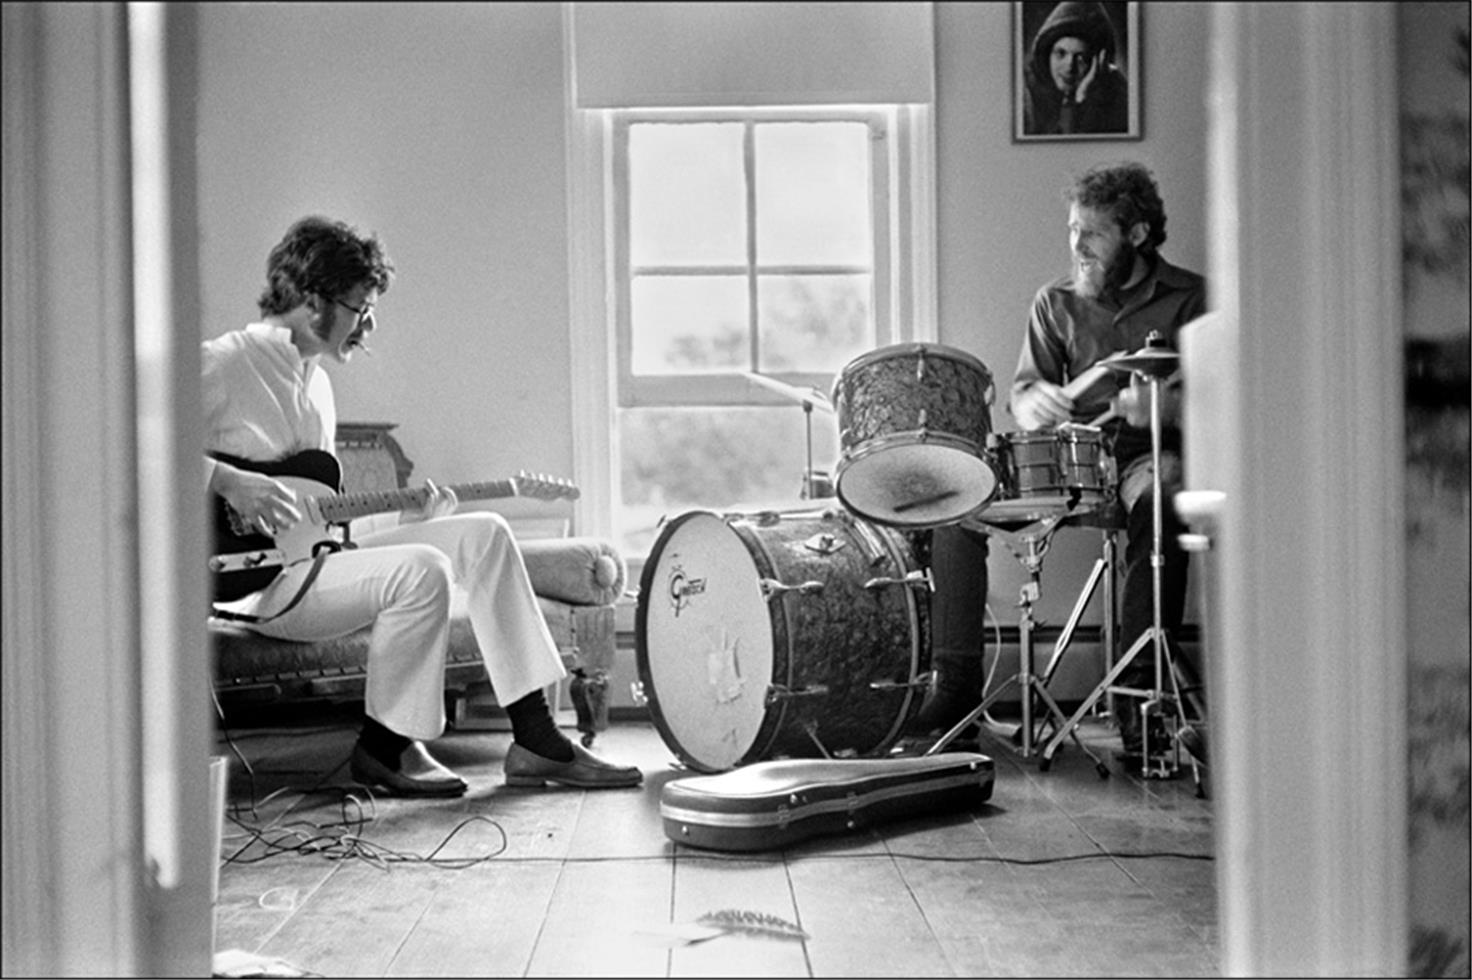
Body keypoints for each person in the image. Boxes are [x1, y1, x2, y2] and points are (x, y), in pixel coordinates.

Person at [204, 215, 642, 797]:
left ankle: (536, 737)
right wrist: (229, 479)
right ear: (313, 303)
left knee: (482, 531)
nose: (369, 324)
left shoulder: (318, 384)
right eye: (361, 308)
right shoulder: (224, 364)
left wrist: (409, 521)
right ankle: (385, 748)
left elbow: (318, 518)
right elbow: (123, 436)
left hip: (314, 564)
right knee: (424, 570)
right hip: (260, 588)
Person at [1008, 162, 1208, 762]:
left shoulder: (1193, 297)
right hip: (1077, 464)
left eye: (1092, 234)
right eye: (1073, 230)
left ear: (1138, 235)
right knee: (961, 501)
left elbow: (1223, 396)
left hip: (1153, 459)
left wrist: (1165, 406)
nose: (1077, 245)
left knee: (1161, 499)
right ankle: (955, 698)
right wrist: (1031, 402)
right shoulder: (1055, 302)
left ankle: (1142, 707)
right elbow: (1023, 395)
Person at [1022, 1, 1131, 137]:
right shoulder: (1026, 98)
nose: (1069, 67)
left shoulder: (1120, 98)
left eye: (1081, 58)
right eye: (1060, 53)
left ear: (1099, 63)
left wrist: (1083, 100)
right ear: (1047, 55)